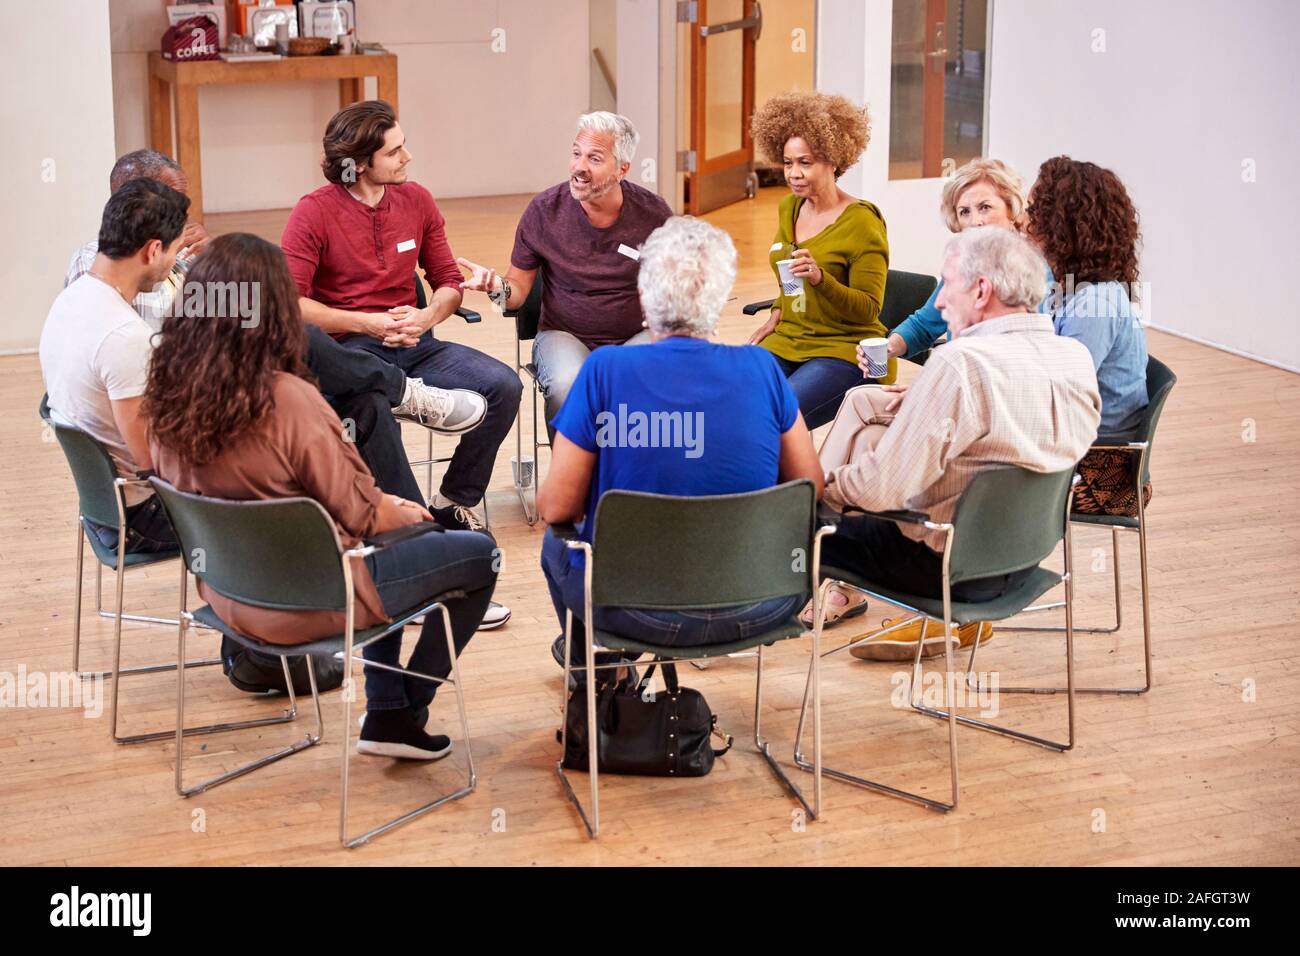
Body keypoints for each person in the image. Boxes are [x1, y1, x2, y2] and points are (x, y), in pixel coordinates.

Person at [144, 233, 500, 760]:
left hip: (227, 597)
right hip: (310, 599)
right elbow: (359, 513)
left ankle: (388, 711)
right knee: (475, 553)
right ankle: (398, 711)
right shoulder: (289, 400)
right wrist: (400, 510)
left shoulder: (164, 397)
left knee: (388, 537)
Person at [66, 150, 482, 510]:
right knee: (305, 347)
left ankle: (411, 535)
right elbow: (154, 357)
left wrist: (217, 260)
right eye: (175, 206)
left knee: (364, 401)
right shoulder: (105, 275)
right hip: (192, 421)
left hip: (212, 384)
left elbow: (251, 308)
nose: (185, 216)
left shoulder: (169, 256)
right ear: (137, 204)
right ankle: (403, 409)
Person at [536, 216, 824, 678]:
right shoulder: (762, 368)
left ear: (645, 298)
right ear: (719, 299)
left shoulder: (605, 370)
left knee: (555, 548)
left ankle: (597, 682)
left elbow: (555, 507)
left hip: (633, 609)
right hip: (759, 602)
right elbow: (810, 487)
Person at [818, 226, 1101, 661]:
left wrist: (815, 486)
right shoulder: (1075, 357)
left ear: (982, 290)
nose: (942, 300)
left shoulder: (961, 364)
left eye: (947, 285)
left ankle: (721, 628)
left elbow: (879, 490)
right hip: (1022, 559)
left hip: (945, 567)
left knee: (794, 530)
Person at [281, 99, 521, 539]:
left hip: (416, 344)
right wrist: (366, 323)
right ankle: (417, 530)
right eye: (394, 152)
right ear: (358, 163)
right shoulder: (313, 212)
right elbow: (290, 303)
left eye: (404, 146)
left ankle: (452, 503)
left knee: (505, 386)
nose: (407, 157)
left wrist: (429, 314)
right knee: (371, 406)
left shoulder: (417, 200)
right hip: (349, 350)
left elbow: (448, 280)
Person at [457, 112, 673, 434]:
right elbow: (516, 291)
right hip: (565, 335)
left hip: (636, 335)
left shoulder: (653, 214)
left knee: (642, 385)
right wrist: (497, 287)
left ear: (622, 169)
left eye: (594, 158)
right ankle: (570, 480)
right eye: (576, 154)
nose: (579, 167)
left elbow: (674, 290)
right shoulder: (545, 211)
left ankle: (629, 476)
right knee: (566, 387)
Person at [41, 178, 187, 557]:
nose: (175, 263)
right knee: (286, 508)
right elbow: (151, 460)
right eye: (175, 251)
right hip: (140, 517)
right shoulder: (124, 335)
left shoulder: (69, 301)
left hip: (103, 508)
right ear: (154, 250)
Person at [746, 91, 890, 428]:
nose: (793, 173)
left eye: (805, 162)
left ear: (834, 160)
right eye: (788, 163)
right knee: (729, 397)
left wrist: (821, 280)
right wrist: (778, 311)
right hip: (789, 340)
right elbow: (789, 278)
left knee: (775, 417)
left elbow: (869, 308)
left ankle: (795, 480)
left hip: (842, 350)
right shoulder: (789, 208)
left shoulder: (862, 222)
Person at [1027, 156, 1150, 516]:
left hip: (1099, 468)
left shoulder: (1093, 302)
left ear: (1060, 223)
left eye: (1035, 208)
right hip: (1080, 443)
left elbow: (1059, 393)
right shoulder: (1072, 289)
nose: (1025, 219)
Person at [885, 158, 1053, 363]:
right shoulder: (961, 268)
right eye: (964, 212)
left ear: (1011, 209)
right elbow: (923, 325)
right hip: (960, 377)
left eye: (985, 207)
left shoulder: (1038, 272)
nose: (975, 221)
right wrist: (887, 348)